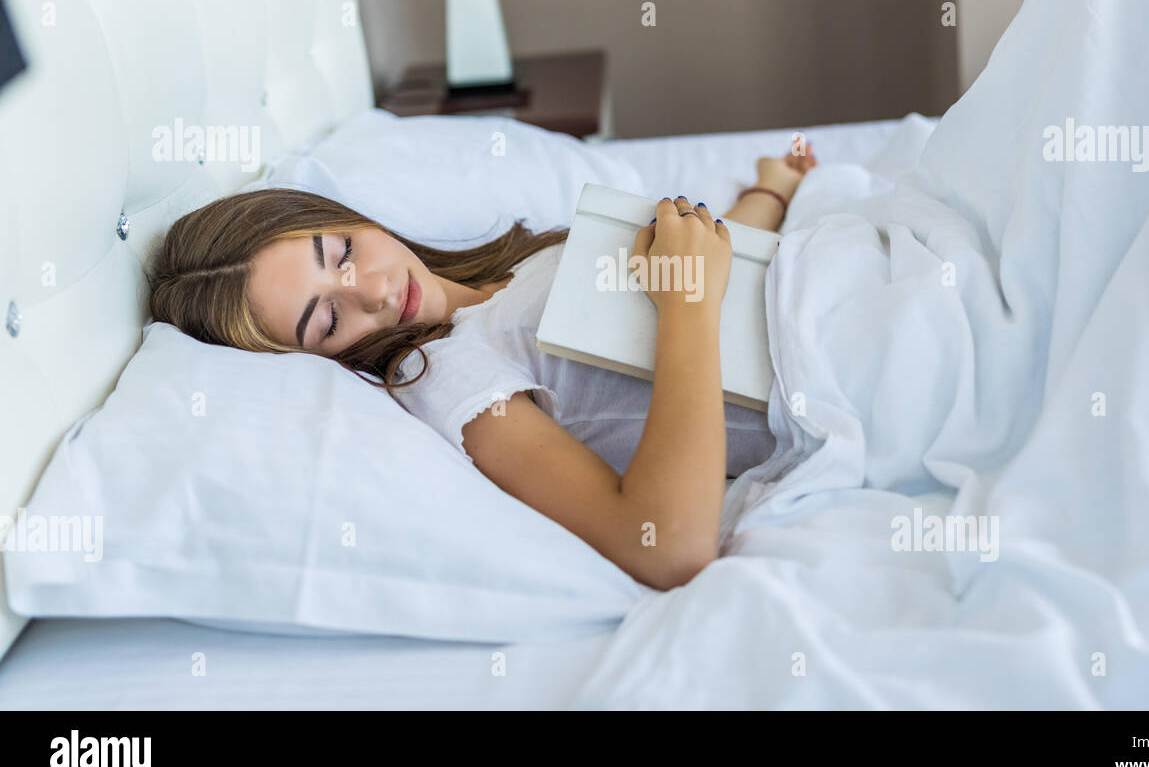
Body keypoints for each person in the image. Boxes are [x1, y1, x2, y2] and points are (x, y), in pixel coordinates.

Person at [149, 142, 818, 590]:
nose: (373, 292)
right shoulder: (445, 373)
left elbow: (716, 257)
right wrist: (689, 301)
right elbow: (665, 547)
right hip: (835, 355)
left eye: (343, 252)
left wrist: (773, 189)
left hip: (836, 269)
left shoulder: (509, 268)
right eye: (327, 320)